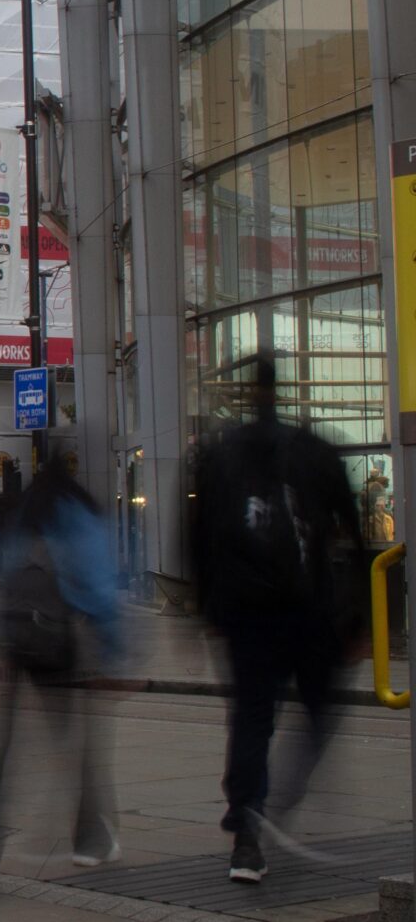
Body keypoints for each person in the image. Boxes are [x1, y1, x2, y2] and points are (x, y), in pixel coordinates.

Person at [190, 354, 364, 886]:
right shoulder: (315, 451)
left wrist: (207, 610)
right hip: (308, 611)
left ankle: (248, 828)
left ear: (248, 392)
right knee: (317, 710)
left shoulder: (220, 456)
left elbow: (197, 536)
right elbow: (352, 534)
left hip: (245, 613)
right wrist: (358, 620)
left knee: (251, 716)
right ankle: (273, 803)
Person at [0, 453, 123, 901]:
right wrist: (113, 652)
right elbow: (98, 584)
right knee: (78, 741)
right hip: (58, 639)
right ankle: (90, 839)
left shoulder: (22, 512)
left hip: (13, 639)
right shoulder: (74, 511)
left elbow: (3, 576)